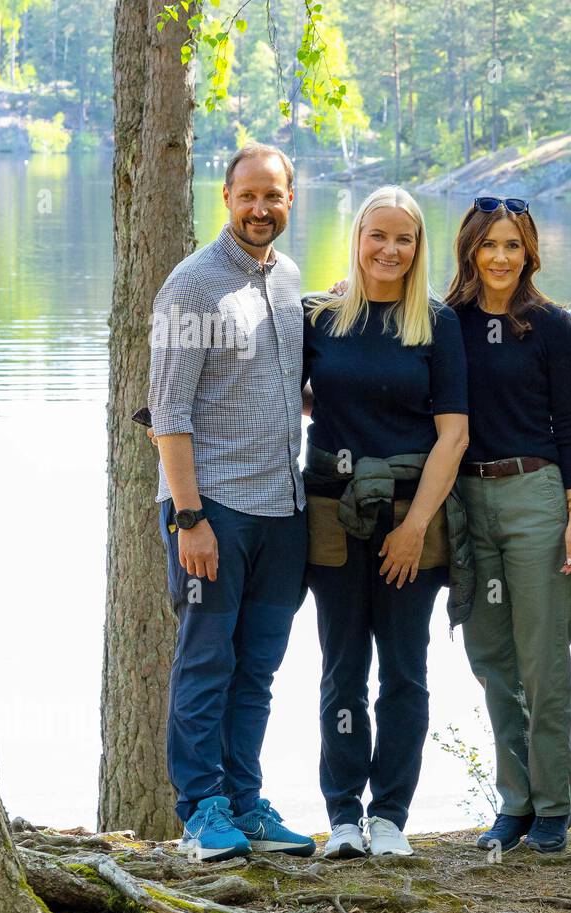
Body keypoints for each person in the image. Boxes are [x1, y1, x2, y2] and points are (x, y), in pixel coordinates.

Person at [148, 143, 314, 862]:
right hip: (211, 508)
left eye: (272, 196)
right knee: (207, 660)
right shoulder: (191, 286)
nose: (260, 209)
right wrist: (190, 517)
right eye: (248, 195)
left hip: (282, 509)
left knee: (258, 668)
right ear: (225, 197)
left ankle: (245, 802)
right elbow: (169, 412)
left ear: (290, 199)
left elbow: (287, 388)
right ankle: (201, 809)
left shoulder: (288, 282)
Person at [302, 185, 469, 859]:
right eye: (379, 235)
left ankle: (392, 815)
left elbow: (452, 436)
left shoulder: (437, 324)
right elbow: (295, 398)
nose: (390, 250)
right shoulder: (319, 318)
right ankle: (343, 815)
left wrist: (415, 524)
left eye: (405, 239)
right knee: (342, 668)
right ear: (358, 236)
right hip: (331, 514)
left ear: (419, 247)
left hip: (412, 515)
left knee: (404, 668)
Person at [444, 196, 571, 854]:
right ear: (470, 249)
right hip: (469, 502)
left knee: (543, 659)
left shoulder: (552, 325)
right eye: (489, 244)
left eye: (513, 245)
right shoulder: (448, 324)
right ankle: (515, 803)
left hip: (537, 497)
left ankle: (555, 804)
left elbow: (570, 426)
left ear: (530, 251)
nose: (500, 256)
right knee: (493, 660)